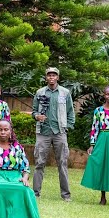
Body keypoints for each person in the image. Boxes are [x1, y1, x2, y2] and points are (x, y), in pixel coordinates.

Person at [32, 67, 75, 201]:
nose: (51, 77)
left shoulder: (65, 93)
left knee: (62, 163)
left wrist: (67, 126)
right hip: (43, 132)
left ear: (58, 77)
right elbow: (33, 111)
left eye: (54, 75)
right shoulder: (40, 92)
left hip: (59, 132)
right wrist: (37, 116)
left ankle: (66, 195)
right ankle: (35, 193)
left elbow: (70, 112)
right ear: (46, 77)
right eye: (49, 75)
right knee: (39, 163)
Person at [80, 84, 109, 207]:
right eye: (107, 94)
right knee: (102, 165)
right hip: (103, 138)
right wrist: (92, 144)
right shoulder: (99, 111)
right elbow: (95, 128)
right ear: (104, 95)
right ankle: (103, 197)